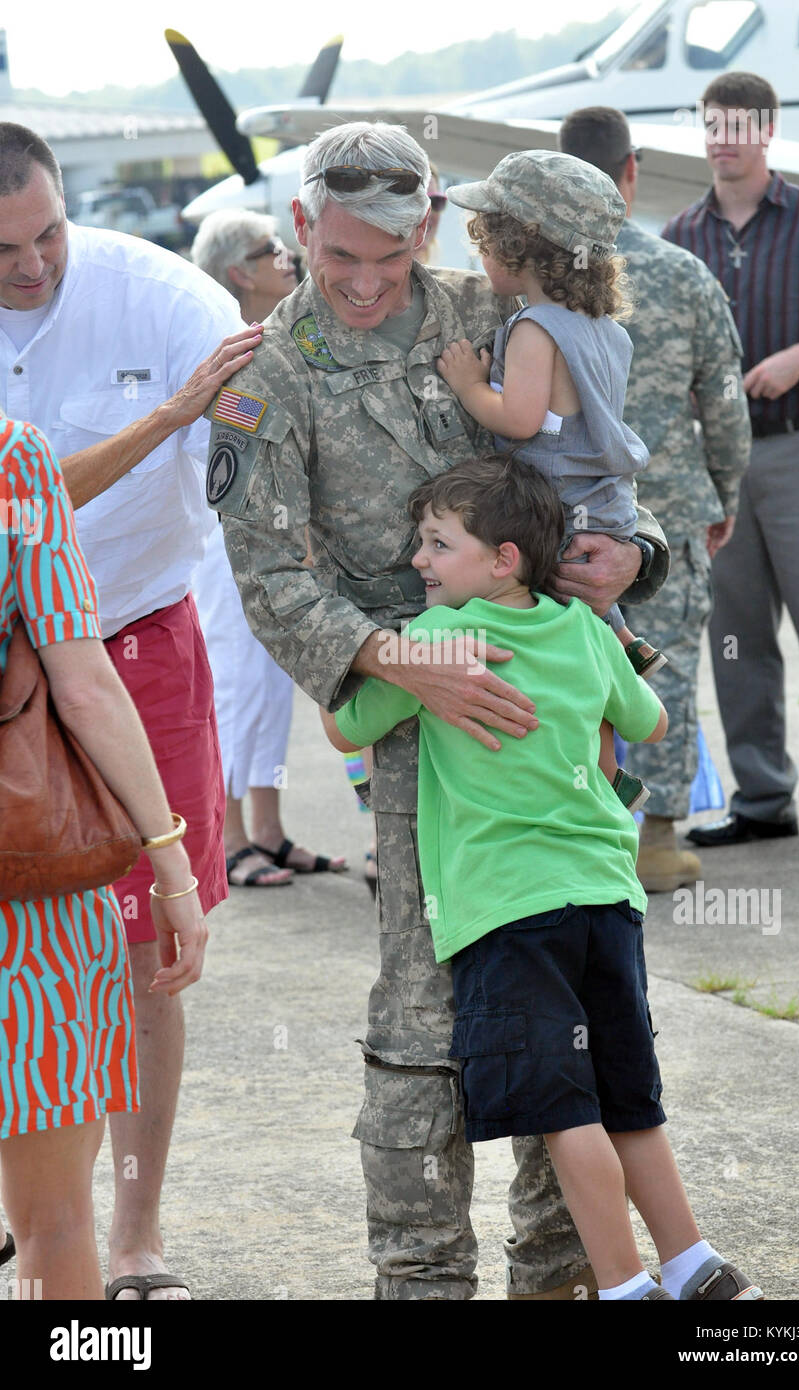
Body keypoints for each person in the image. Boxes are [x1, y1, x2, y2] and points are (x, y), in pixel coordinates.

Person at [205, 120, 671, 1301]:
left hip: (551, 724)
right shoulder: (267, 374)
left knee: (569, 992)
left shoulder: (497, 317)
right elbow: (267, 573)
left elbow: (611, 466)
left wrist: (632, 555)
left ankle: (560, 1270)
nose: (365, 285)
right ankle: (420, 1280)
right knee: (426, 1013)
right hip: (411, 728)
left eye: (392, 257)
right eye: (339, 257)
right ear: (299, 228)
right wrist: (384, 657)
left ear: (427, 230)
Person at [323, 454, 764, 1302]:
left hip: (507, 909)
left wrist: (356, 649)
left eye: (437, 544)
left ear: (501, 561)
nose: (420, 560)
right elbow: (652, 716)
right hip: (605, 893)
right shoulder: (584, 631)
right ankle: (693, 1265)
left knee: (564, 1110)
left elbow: (347, 728)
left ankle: (624, 1286)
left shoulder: (432, 643)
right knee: (629, 1096)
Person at [0, 122, 256, 1300]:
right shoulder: (16, 471)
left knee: (150, 956)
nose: (32, 263)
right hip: (51, 661)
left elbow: (265, 462)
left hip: (132, 642)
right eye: (2, 249)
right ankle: (55, 1233)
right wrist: (153, 427)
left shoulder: (165, 295)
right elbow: (29, 489)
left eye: (47, 231)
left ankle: (134, 1234)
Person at [0, 411, 207, 1300]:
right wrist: (172, 867)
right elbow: (85, 685)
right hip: (27, 898)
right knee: (54, 1224)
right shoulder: (13, 455)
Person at [662, 73, 799, 850]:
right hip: (716, 465)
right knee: (735, 633)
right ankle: (760, 795)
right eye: (712, 125)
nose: (723, 140)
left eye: (738, 127)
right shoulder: (682, 236)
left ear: (767, 130)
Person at [558, 106, 751, 891]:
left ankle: (575, 838)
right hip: (663, 512)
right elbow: (727, 404)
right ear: (630, 171)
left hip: (561, 519)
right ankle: (657, 841)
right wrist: (725, 490)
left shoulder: (541, 282)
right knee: (660, 673)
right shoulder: (681, 272)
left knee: (567, 669)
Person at [437, 149, 661, 812]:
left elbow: (519, 418)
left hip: (554, 504)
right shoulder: (604, 330)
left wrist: (469, 383)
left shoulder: (533, 328)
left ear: (517, 248)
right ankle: (625, 657)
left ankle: (599, 771)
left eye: (484, 241)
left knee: (567, 656)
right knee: (591, 643)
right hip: (605, 506)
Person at [190, 209, 346, 886]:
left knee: (275, 681)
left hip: (282, 527)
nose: (287, 257)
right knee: (233, 681)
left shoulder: (278, 333)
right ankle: (225, 839)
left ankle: (269, 830)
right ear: (238, 271)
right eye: (269, 250)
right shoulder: (217, 340)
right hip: (227, 534)